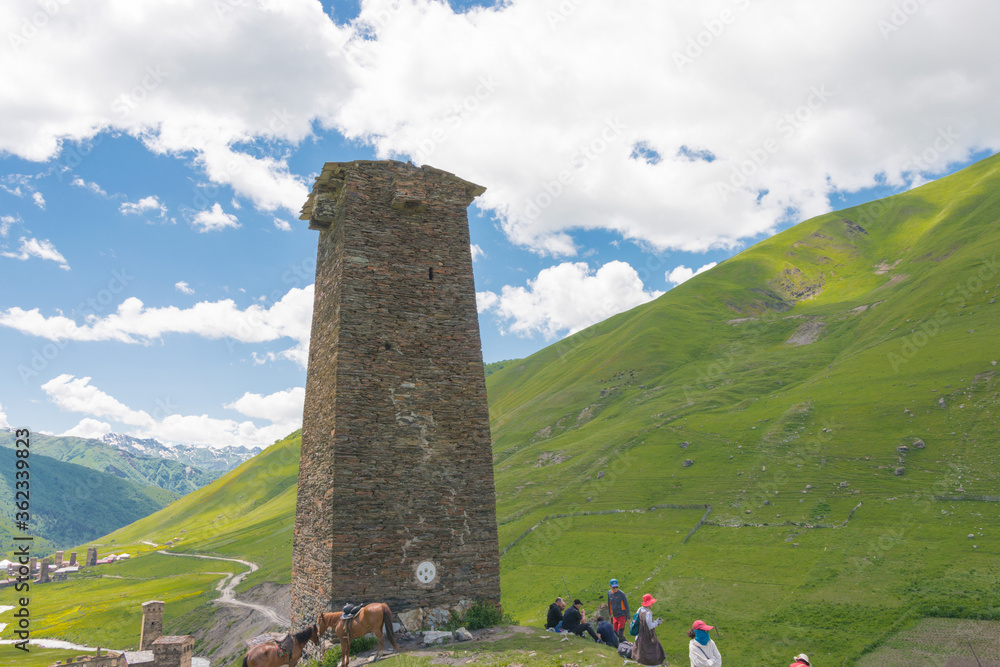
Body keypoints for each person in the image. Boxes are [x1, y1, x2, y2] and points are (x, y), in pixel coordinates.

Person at [632, 594, 665, 666]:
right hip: (647, 636)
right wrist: (657, 622)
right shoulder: (648, 613)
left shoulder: (640, 609)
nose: (652, 604)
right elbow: (650, 626)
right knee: (652, 653)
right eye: (651, 603)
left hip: (640, 635)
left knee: (643, 652)